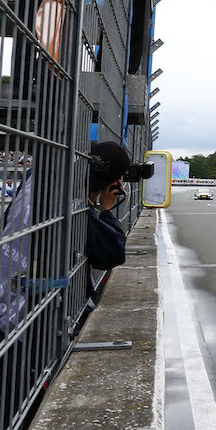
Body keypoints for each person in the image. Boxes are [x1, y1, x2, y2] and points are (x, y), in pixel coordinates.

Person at [75, 141, 129, 332]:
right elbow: (113, 255)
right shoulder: (78, 208)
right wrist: (106, 209)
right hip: (27, 317)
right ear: (112, 183)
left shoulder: (38, 178)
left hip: (0, 301)